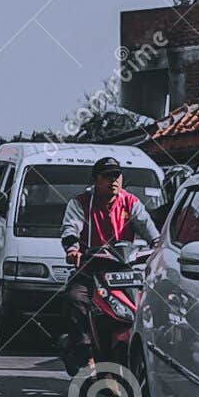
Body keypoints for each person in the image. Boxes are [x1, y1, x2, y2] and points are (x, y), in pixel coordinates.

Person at [59, 155, 159, 366]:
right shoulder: (81, 203)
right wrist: (73, 249)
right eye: (107, 176)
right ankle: (85, 353)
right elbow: (70, 229)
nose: (113, 181)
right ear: (96, 180)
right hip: (91, 269)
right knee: (75, 298)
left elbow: (151, 232)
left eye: (117, 176)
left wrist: (159, 248)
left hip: (127, 272)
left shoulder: (131, 202)